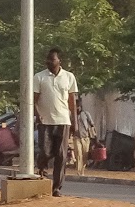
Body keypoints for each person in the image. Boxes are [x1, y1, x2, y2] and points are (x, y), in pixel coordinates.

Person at [34, 47, 79, 195]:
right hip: (45, 122)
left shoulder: (69, 77)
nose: (49, 62)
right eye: (47, 59)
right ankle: (42, 175)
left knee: (61, 155)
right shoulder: (39, 77)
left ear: (59, 61)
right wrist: (37, 114)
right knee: (45, 152)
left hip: (63, 121)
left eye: (52, 59)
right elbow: (33, 100)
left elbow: (72, 101)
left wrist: (75, 122)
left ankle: (56, 188)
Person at [71, 100, 95, 176]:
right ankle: (78, 172)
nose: (77, 108)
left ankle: (82, 171)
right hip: (76, 137)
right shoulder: (72, 115)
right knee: (78, 154)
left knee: (85, 155)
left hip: (85, 137)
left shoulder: (85, 114)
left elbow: (92, 125)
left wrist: (94, 137)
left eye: (78, 106)